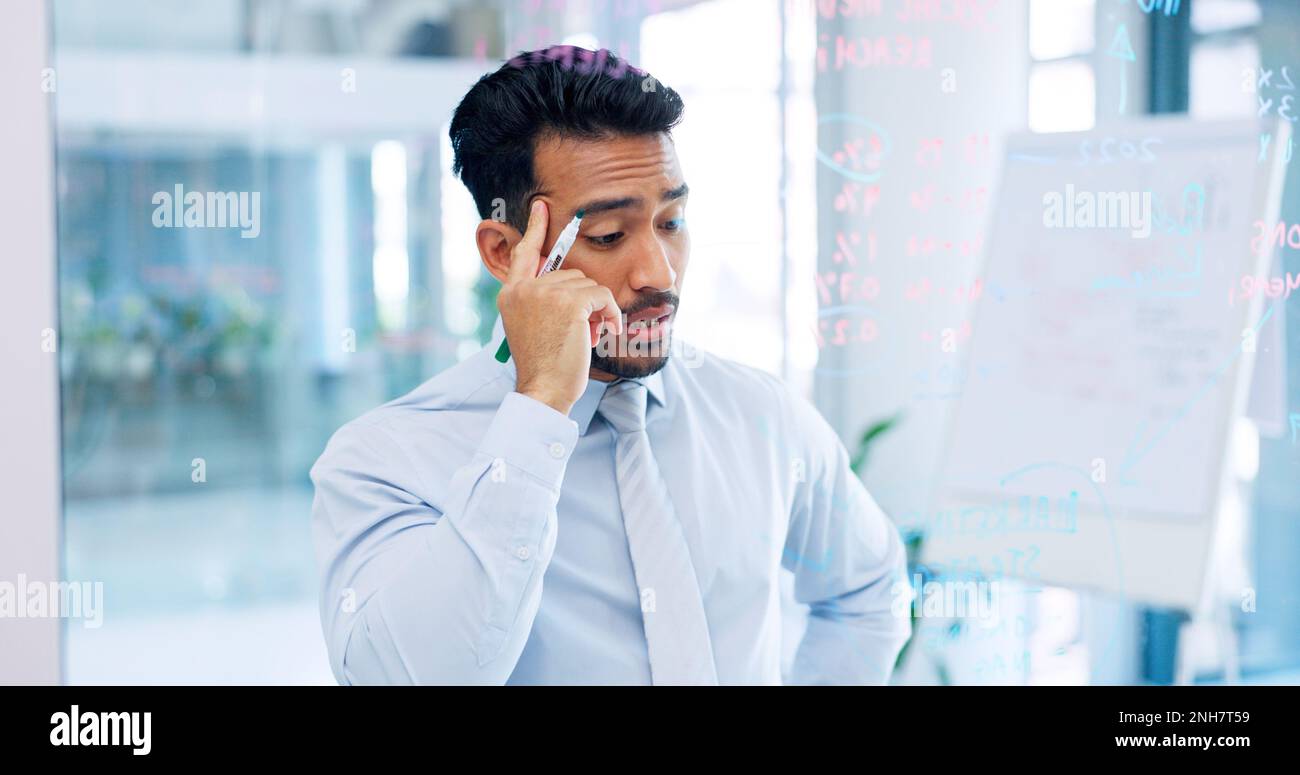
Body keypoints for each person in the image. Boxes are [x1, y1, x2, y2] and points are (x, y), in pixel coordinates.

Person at [310, 45, 910, 685]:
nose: (659, 273)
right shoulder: (385, 460)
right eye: (607, 236)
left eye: (671, 221)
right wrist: (538, 406)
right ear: (505, 252)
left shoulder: (760, 415)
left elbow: (868, 590)